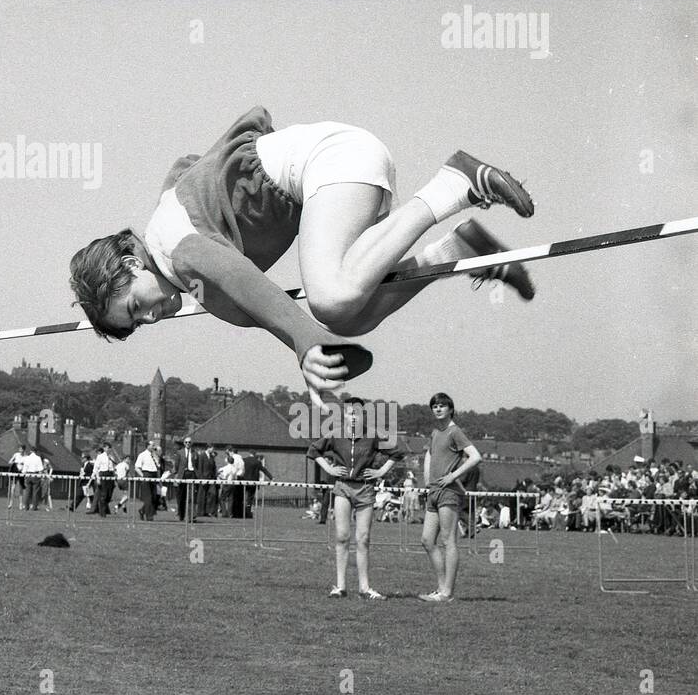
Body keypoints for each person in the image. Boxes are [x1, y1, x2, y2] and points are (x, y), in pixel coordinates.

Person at [69, 109, 535, 400]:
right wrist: (313, 349)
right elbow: (188, 166)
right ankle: (460, 247)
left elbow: (242, 276)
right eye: (136, 325)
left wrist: (305, 343)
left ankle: (453, 184)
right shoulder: (170, 236)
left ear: (132, 263)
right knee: (350, 318)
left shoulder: (178, 250)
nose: (149, 320)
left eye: (134, 307)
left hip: (331, 163)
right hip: (336, 176)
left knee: (329, 299)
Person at [308, 397, 398, 599]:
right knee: (342, 537)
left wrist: (380, 472)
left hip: (365, 490)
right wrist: (329, 468)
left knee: (363, 539)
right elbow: (313, 451)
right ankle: (340, 586)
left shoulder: (373, 435)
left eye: (357, 412)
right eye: (349, 412)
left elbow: (396, 452)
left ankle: (365, 588)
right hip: (342, 488)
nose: (353, 416)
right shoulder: (335, 434)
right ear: (344, 414)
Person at [419, 392, 481, 602]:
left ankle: (447, 592)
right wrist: (427, 479)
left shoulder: (455, 432)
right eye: (434, 406)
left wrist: (453, 476)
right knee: (427, 540)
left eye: (442, 406)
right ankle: (441, 587)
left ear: (450, 409)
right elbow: (429, 454)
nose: (437, 409)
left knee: (448, 540)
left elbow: (475, 456)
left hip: (449, 492)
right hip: (434, 491)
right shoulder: (436, 432)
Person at [134, 437, 161, 520]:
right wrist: (143, 476)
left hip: (154, 475)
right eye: (152, 445)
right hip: (146, 474)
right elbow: (137, 467)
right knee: (148, 497)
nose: (154, 447)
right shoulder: (142, 455)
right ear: (148, 446)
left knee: (154, 497)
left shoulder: (155, 455)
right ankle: (149, 516)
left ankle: (142, 511)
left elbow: (158, 466)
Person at [175, 435, 197, 520]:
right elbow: (177, 465)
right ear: (184, 443)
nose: (188, 444)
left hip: (191, 474)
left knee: (191, 496)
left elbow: (196, 465)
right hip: (182, 474)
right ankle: (181, 515)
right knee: (181, 496)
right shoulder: (179, 452)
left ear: (191, 443)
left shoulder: (195, 453)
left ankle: (191, 516)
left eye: (189, 442)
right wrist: (177, 474)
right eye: (186, 442)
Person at [93, 442, 117, 516]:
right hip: (103, 474)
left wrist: (115, 475)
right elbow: (96, 468)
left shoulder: (112, 457)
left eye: (110, 448)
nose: (109, 449)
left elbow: (113, 467)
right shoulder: (100, 457)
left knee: (109, 495)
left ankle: (103, 509)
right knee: (104, 494)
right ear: (104, 448)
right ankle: (102, 513)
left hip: (110, 475)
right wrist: (98, 478)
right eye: (107, 447)